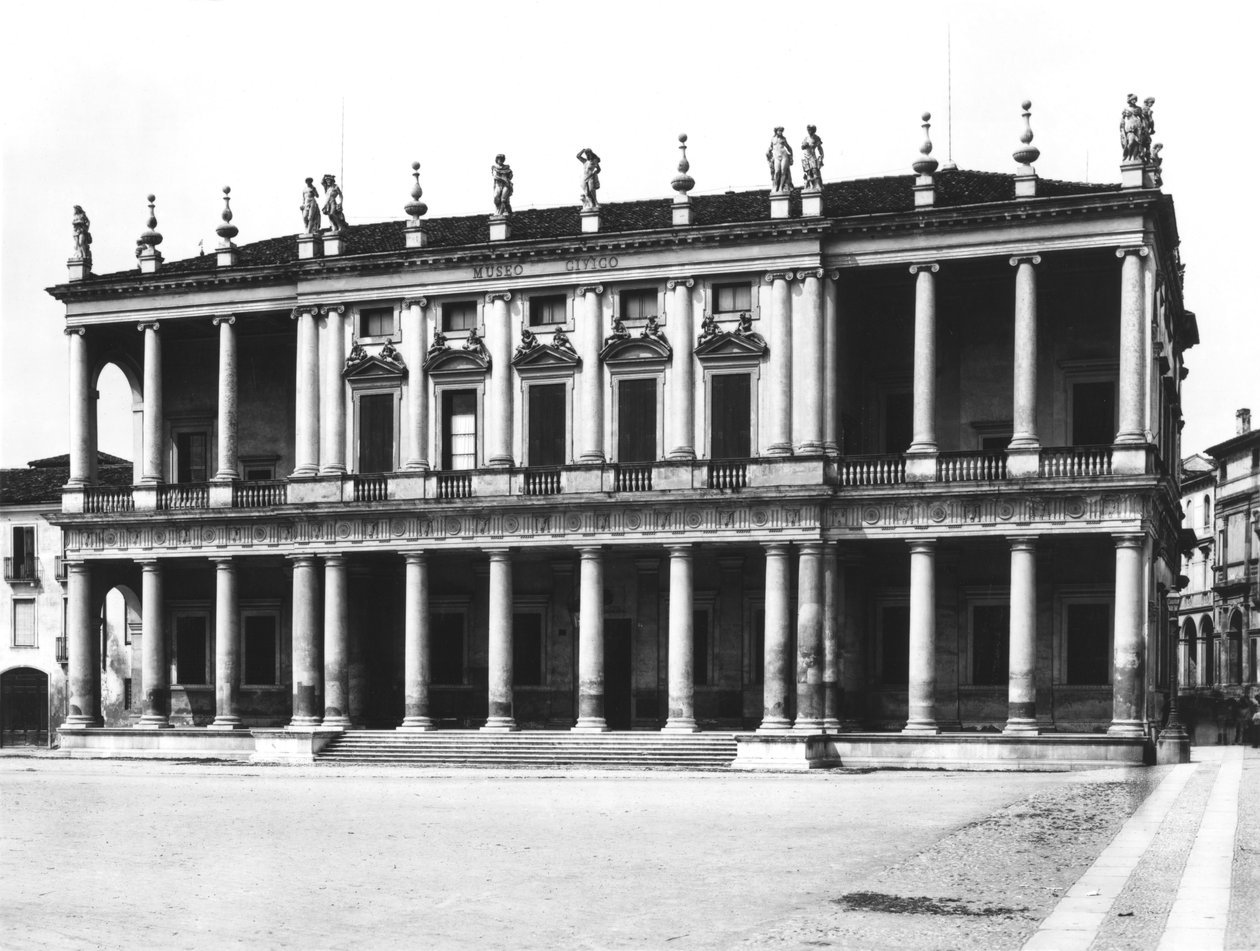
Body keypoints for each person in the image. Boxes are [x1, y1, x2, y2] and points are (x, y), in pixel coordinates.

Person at [766, 126, 794, 193]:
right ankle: (775, 186)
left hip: (784, 155)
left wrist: (791, 157)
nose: (780, 132)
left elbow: (789, 148)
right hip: (776, 157)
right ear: (776, 131)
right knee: (777, 171)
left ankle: (781, 187)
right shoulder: (773, 139)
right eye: (779, 131)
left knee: (783, 171)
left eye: (781, 131)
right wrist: (768, 152)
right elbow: (770, 147)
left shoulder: (784, 139)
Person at [800, 125, 824, 190]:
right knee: (808, 172)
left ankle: (817, 185)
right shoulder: (806, 138)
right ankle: (810, 186)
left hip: (812, 155)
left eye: (810, 130)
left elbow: (819, 148)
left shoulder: (816, 138)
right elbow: (802, 147)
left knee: (814, 170)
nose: (809, 131)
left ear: (813, 130)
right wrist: (804, 145)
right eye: (808, 130)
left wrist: (821, 156)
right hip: (806, 156)